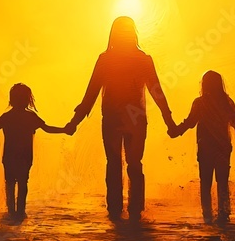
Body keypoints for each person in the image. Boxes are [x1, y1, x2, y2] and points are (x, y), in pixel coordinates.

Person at [66, 16, 174, 221]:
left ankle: (115, 210)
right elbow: (157, 92)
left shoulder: (106, 59)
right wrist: (169, 122)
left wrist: (74, 122)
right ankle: (135, 211)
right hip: (135, 120)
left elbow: (91, 94)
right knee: (134, 163)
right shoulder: (142, 59)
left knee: (114, 163)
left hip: (113, 119)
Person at [169, 70, 235, 224]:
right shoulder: (226, 102)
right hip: (223, 148)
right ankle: (224, 215)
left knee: (205, 183)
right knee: (222, 182)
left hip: (205, 148)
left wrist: (176, 131)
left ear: (204, 84)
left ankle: (207, 216)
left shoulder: (200, 103)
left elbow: (190, 123)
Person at [0, 83, 71, 219]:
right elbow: (47, 128)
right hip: (25, 156)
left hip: (9, 156)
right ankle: (20, 213)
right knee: (23, 182)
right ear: (28, 99)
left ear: (11, 99)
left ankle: (11, 212)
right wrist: (65, 130)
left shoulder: (7, 117)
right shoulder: (30, 117)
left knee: (10, 183)